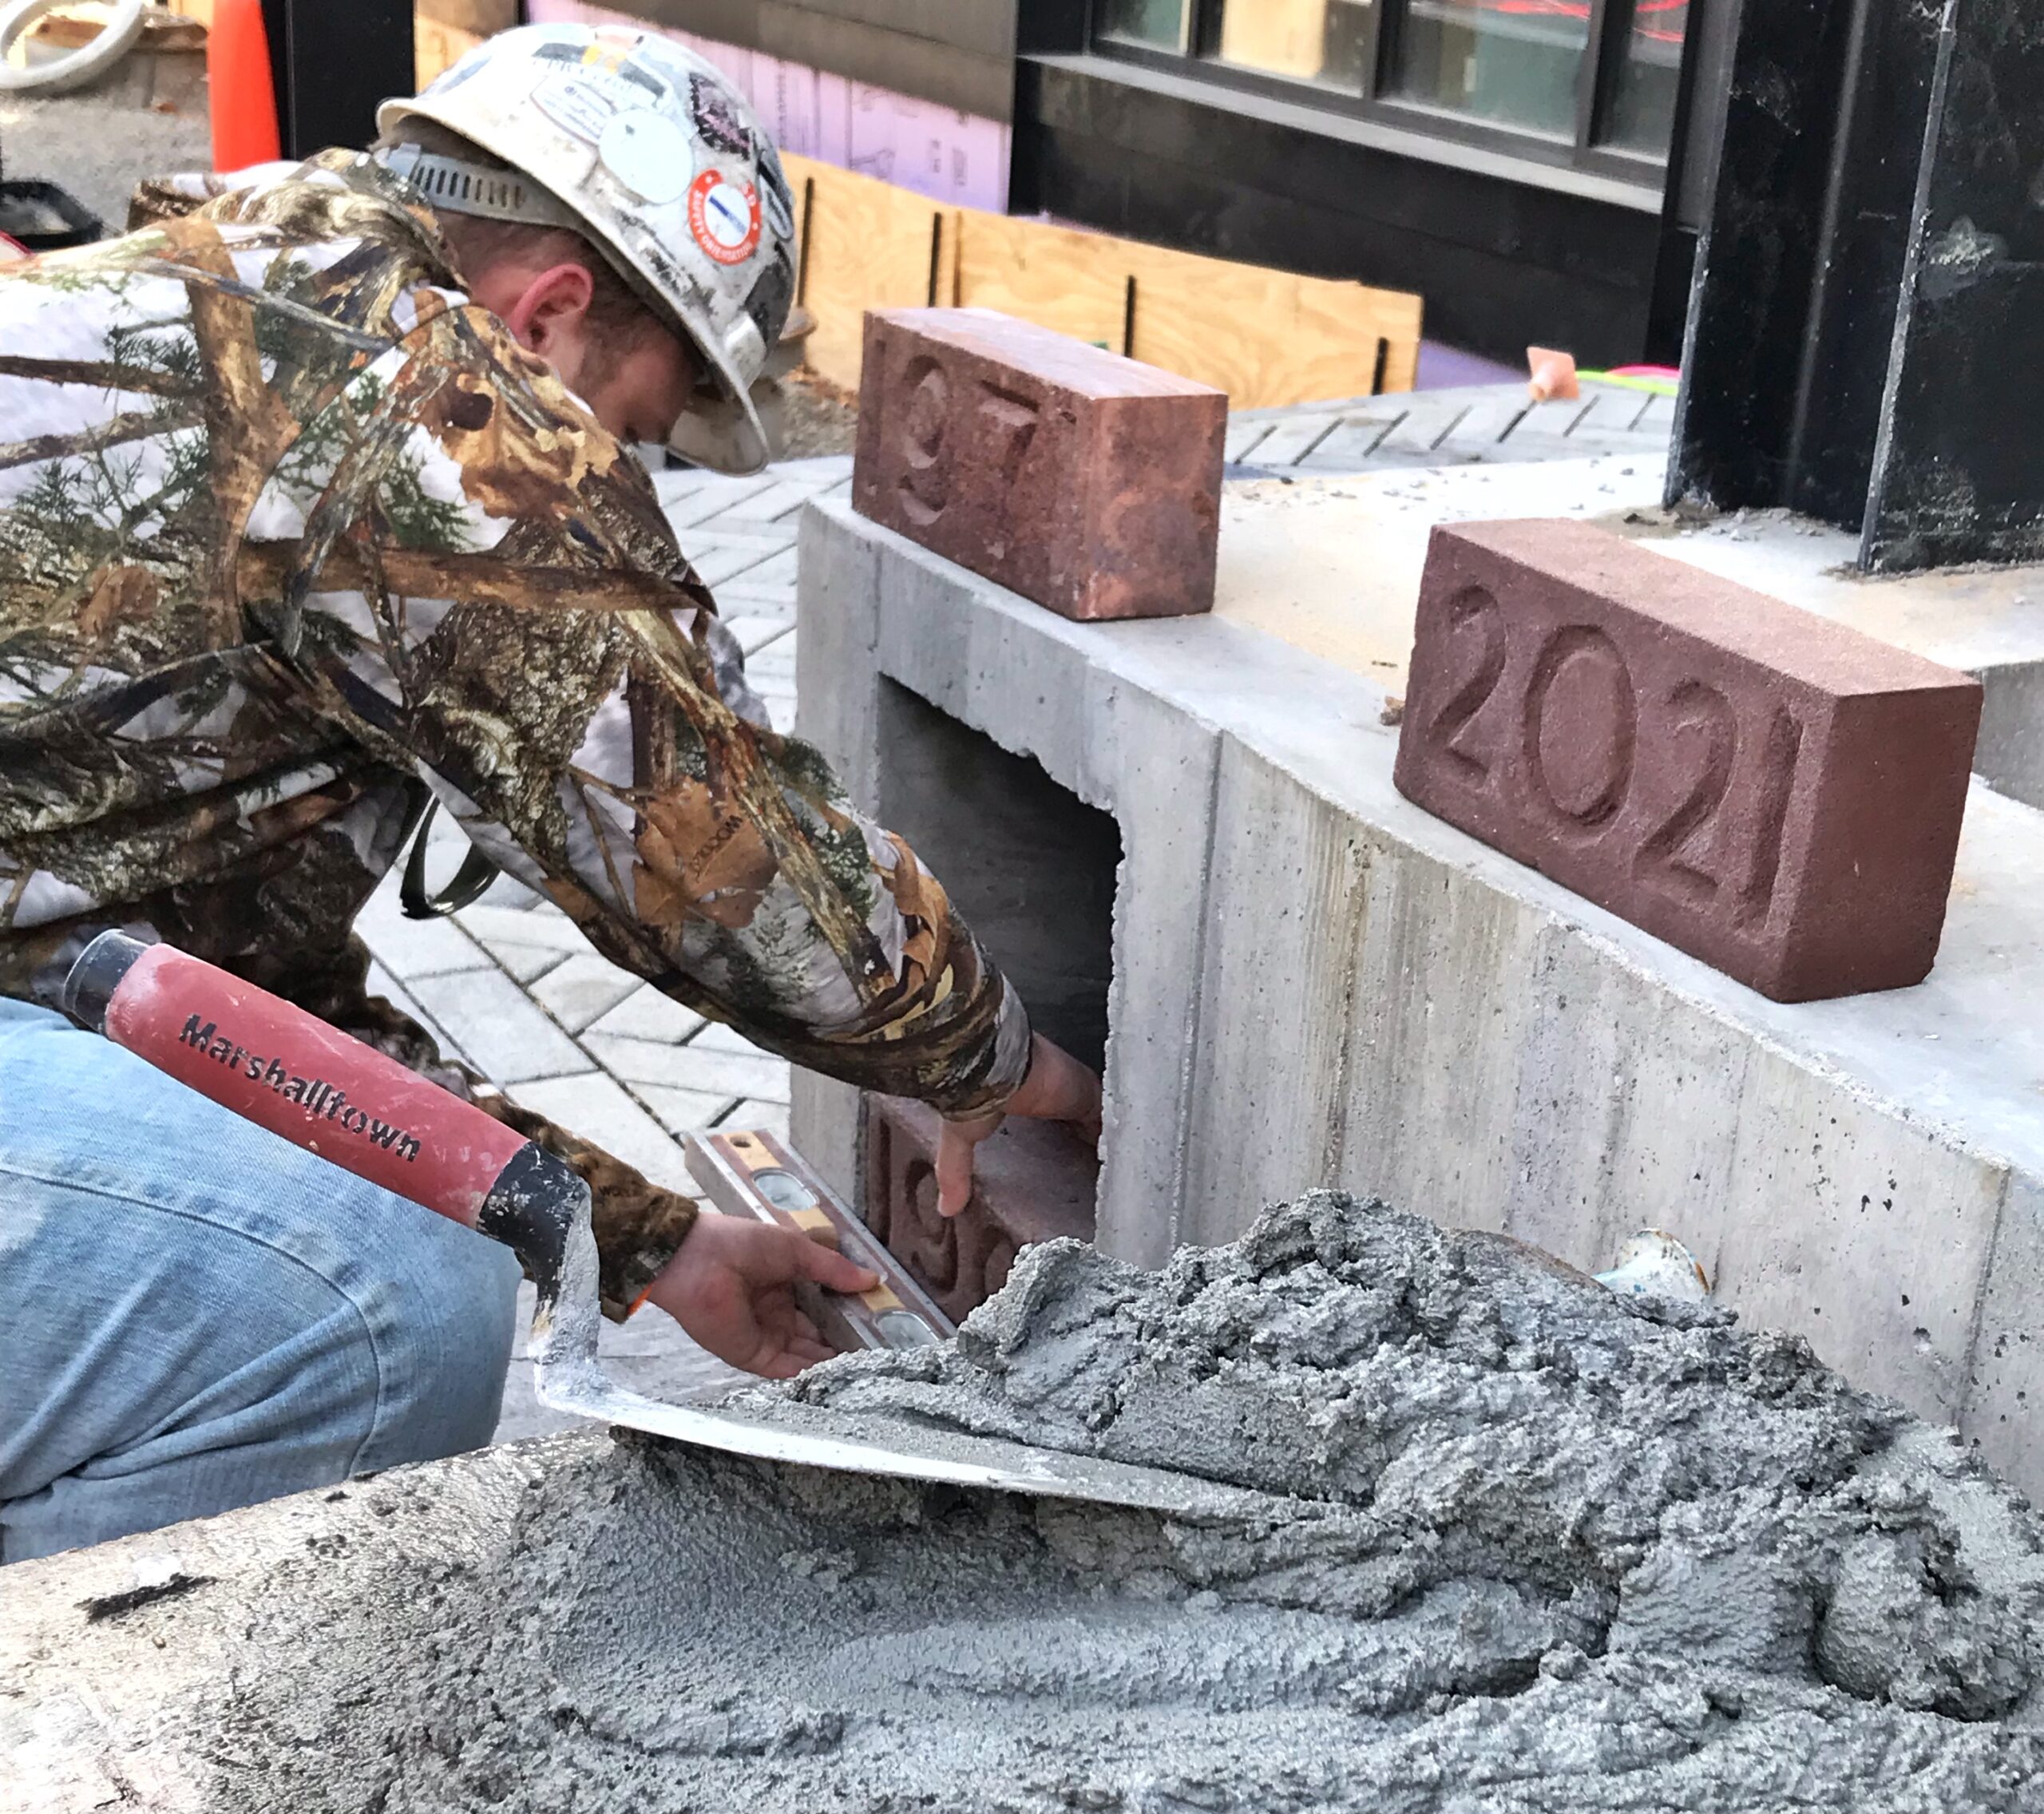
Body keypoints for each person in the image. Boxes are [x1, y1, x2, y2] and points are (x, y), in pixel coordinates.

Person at [0, 22, 1099, 1563]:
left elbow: (226, 1022)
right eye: (636, 427)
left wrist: (630, 1239)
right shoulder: (408, 399)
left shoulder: (246, 291)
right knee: (381, 1316)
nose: (622, 468)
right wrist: (1007, 1067)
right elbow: (720, 862)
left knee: (371, 1236)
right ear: (553, 313)